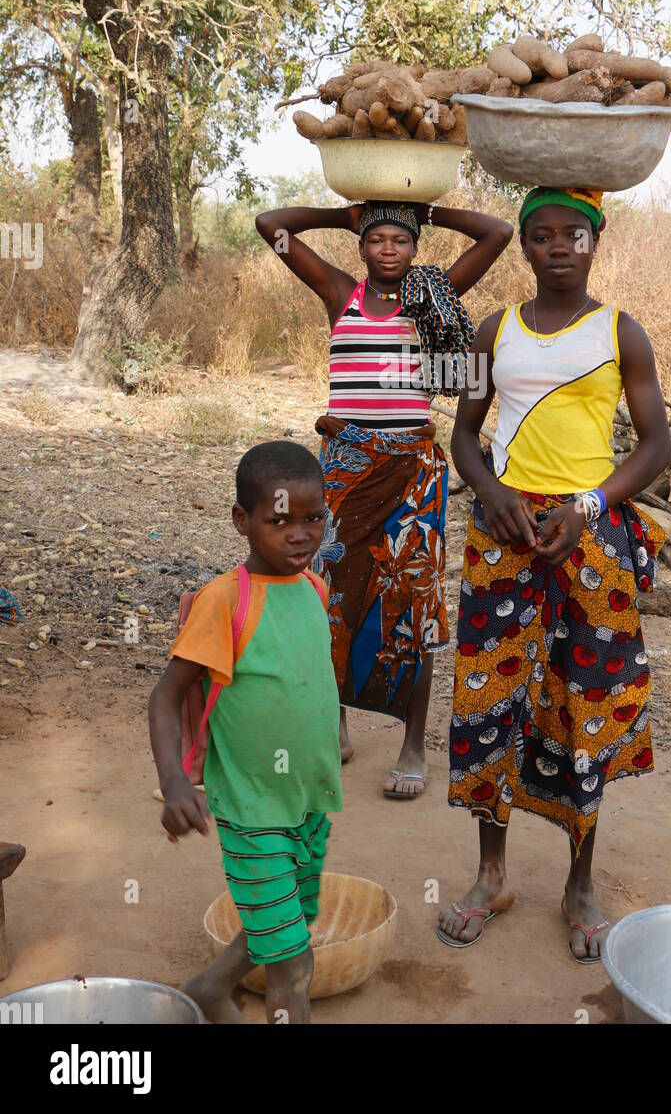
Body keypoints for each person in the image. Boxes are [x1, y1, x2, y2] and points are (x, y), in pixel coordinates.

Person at [437, 186, 671, 960]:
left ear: (597, 242)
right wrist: (492, 492)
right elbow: (465, 437)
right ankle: (491, 874)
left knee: (586, 703)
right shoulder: (492, 331)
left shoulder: (620, 333)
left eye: (576, 233)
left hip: (589, 539)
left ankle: (580, 885)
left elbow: (653, 447)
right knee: (487, 696)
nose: (560, 246)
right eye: (542, 235)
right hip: (504, 534)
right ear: (527, 248)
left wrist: (590, 507)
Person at [256, 198, 512, 799]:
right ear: (362, 248)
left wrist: (427, 210)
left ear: (416, 248)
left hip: (413, 472)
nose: (389, 248)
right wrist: (343, 214)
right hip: (344, 469)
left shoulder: (433, 294)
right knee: (331, 594)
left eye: (401, 238)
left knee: (412, 601)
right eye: (376, 239)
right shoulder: (338, 294)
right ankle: (336, 726)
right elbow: (273, 227)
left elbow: (498, 232)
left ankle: (412, 745)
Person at [148, 441, 340, 1024]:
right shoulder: (225, 600)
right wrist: (175, 784)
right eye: (279, 521)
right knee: (292, 963)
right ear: (243, 521)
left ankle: (208, 990)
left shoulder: (314, 590)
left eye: (313, 518)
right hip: (254, 809)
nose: (300, 535)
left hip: (307, 802)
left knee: (276, 925)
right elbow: (166, 695)